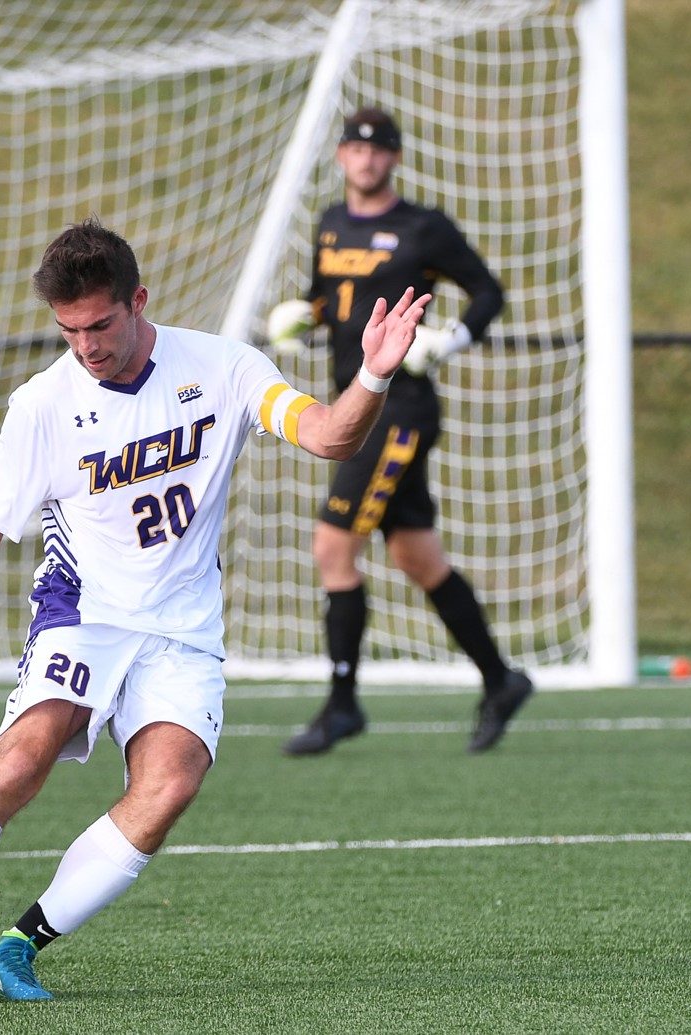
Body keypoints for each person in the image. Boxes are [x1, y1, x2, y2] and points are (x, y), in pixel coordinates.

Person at [0, 216, 432, 1004]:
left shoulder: (223, 367)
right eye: (68, 329)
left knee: (171, 783)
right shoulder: (43, 404)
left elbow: (329, 437)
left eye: (100, 325)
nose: (86, 346)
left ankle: (17, 948)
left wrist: (373, 375)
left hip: (181, 628)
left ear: (138, 301)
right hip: (83, 613)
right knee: (22, 757)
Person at [265, 107, 534, 757]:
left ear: (396, 157)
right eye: (357, 148)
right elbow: (331, 298)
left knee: (332, 547)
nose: (368, 159)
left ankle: (342, 705)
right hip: (354, 404)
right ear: (341, 156)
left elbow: (488, 292)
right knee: (417, 556)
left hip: (400, 412)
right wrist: (306, 313)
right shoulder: (331, 223)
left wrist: (452, 339)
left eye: (380, 149)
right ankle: (501, 680)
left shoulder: (423, 227)